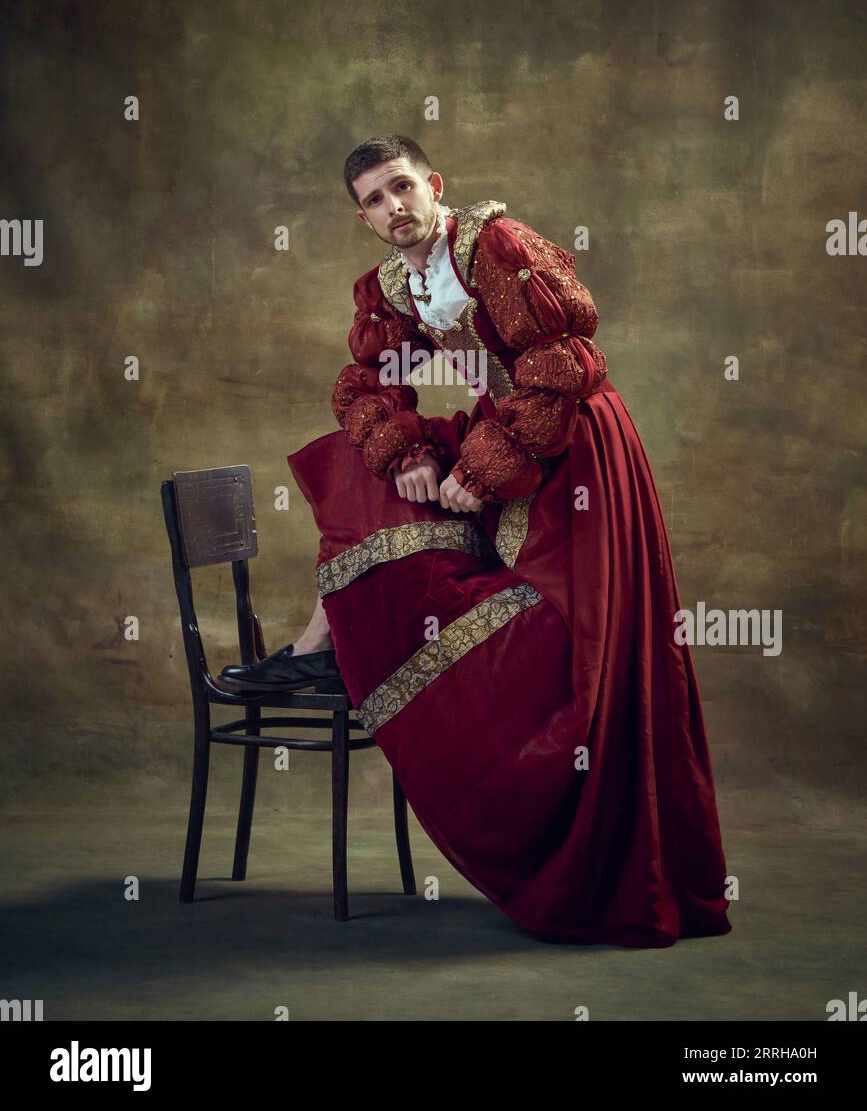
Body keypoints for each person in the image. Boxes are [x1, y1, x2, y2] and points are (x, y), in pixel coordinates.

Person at [220, 135, 733, 948]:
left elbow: (564, 362)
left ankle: (609, 858)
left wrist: (486, 469)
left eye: (399, 189)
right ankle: (323, 641)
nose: (392, 210)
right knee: (364, 474)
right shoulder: (394, 283)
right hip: (510, 438)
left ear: (432, 184)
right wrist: (412, 452)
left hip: (572, 449)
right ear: (362, 218)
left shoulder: (493, 244)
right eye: (373, 201)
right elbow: (362, 387)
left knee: (589, 646)